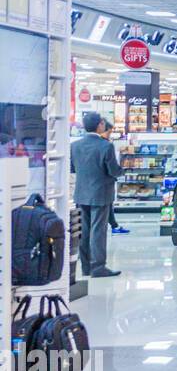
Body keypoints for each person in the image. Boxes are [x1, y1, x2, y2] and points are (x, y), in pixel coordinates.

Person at [70, 111, 124, 278]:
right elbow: (113, 170)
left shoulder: (75, 145)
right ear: (100, 124)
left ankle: (86, 267)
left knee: (84, 230)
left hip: (81, 193)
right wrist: (121, 170)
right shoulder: (106, 146)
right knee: (98, 230)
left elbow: (72, 169)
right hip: (101, 193)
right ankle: (98, 267)